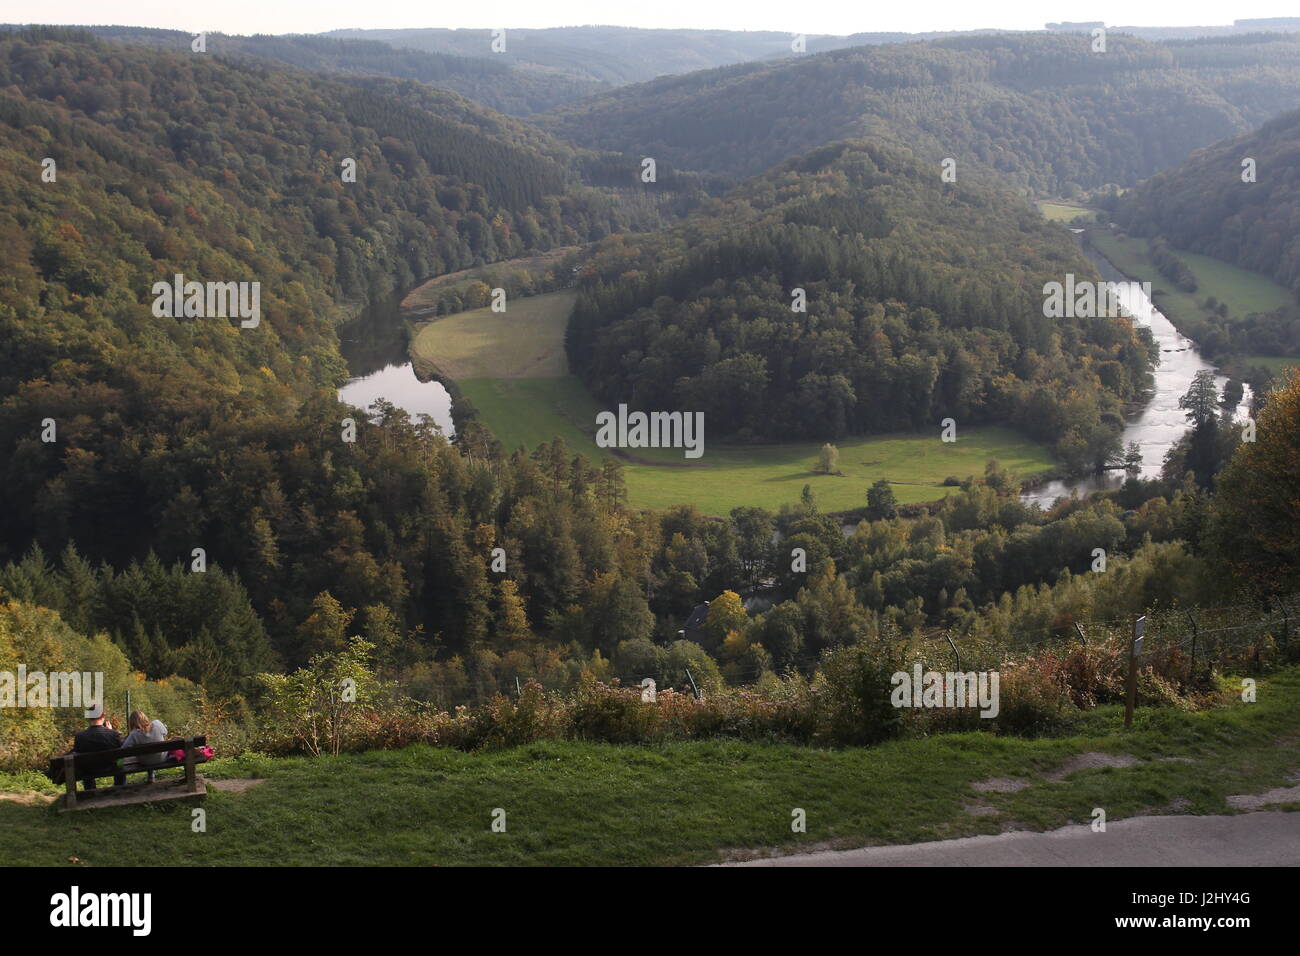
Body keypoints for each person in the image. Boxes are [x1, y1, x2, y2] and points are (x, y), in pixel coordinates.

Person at [73, 709, 125, 789]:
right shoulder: (113, 734)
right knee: (120, 763)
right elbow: (121, 750)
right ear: (103, 716)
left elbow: (77, 753)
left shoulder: (79, 736)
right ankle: (120, 788)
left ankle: (90, 791)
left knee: (84, 764)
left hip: (89, 769)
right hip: (110, 767)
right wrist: (110, 731)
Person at [121, 710, 169, 779]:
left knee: (146, 755)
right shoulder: (157, 723)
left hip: (145, 762)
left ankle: (151, 774)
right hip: (162, 758)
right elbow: (166, 732)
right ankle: (151, 775)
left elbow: (123, 748)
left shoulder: (134, 734)